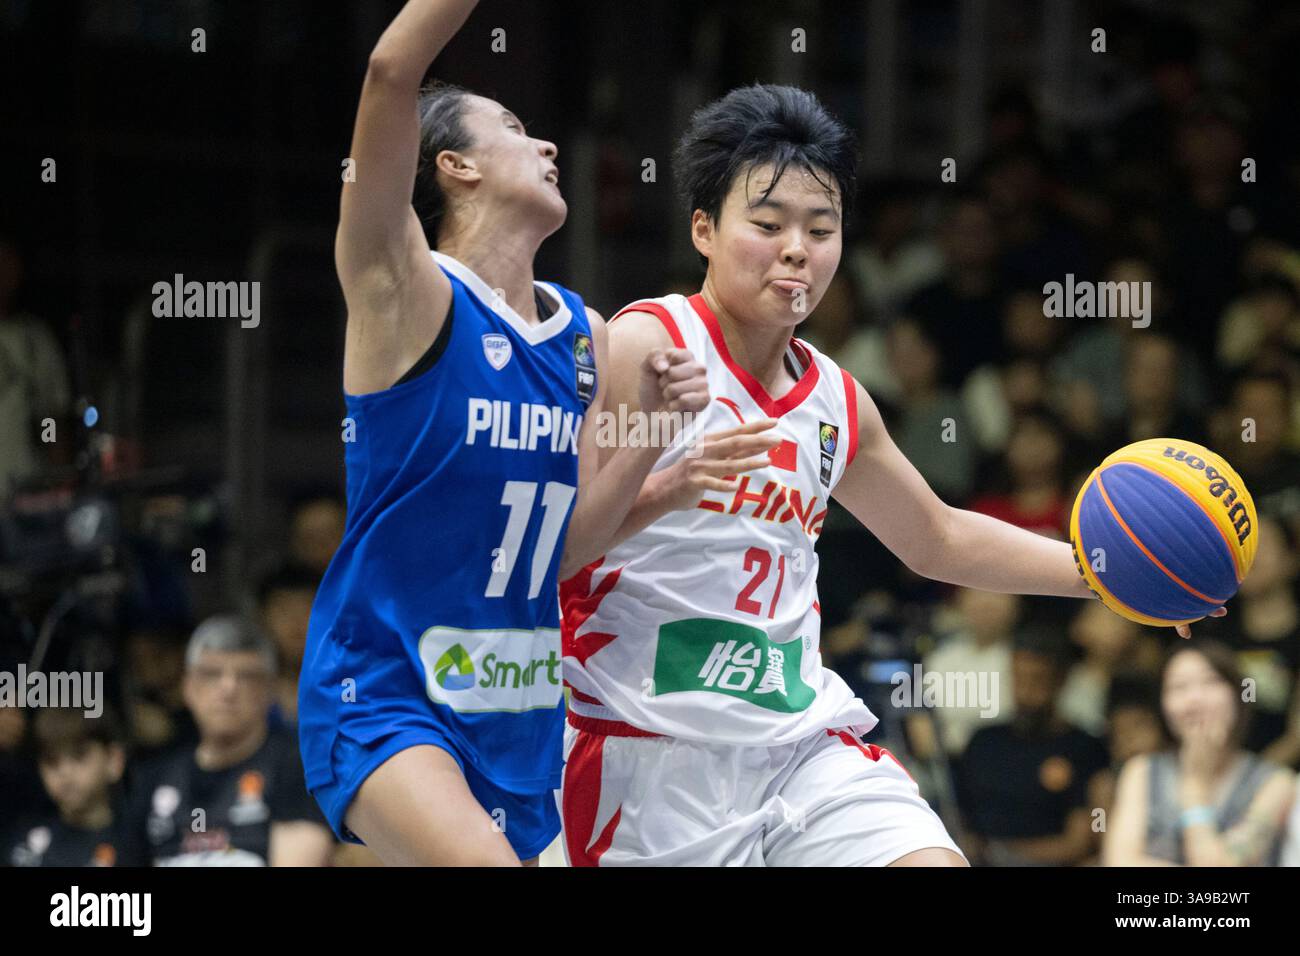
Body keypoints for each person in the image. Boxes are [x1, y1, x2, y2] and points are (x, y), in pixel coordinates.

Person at [558, 84, 1223, 866]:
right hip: (646, 752)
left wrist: (1110, 575)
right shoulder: (647, 346)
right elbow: (557, 550)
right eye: (767, 225)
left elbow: (936, 537)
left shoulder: (838, 400)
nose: (797, 249)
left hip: (798, 744)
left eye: (821, 227)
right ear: (704, 229)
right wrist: (663, 484)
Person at [297, 0, 729, 867]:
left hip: (517, 703)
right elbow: (391, 71)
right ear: (453, 165)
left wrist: (654, 439)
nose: (548, 146)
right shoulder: (405, 287)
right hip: (384, 688)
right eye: (517, 130)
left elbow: (563, 549)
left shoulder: (583, 335)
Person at [126, 616, 334, 866]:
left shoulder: (297, 766)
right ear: (188, 687)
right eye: (212, 674)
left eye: (246, 676)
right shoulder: (154, 776)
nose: (228, 688)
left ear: (269, 691)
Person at [1103, 641, 1296, 866]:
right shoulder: (1142, 770)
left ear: (1238, 694)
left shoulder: (1275, 782)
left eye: (1210, 682)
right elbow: (1119, 861)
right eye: (1178, 687)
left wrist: (1195, 786)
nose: (1194, 700)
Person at [955, 631, 1110, 866]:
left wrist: (1005, 853)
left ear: (1061, 681)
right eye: (1018, 679)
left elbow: (1081, 841)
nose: (1025, 693)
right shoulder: (983, 741)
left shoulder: (1086, 748)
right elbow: (956, 817)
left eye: (1037, 680)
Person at [3, 708, 129, 867]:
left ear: (114, 760)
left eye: (79, 755)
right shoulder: (26, 846)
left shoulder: (140, 840)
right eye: (52, 761)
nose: (65, 773)